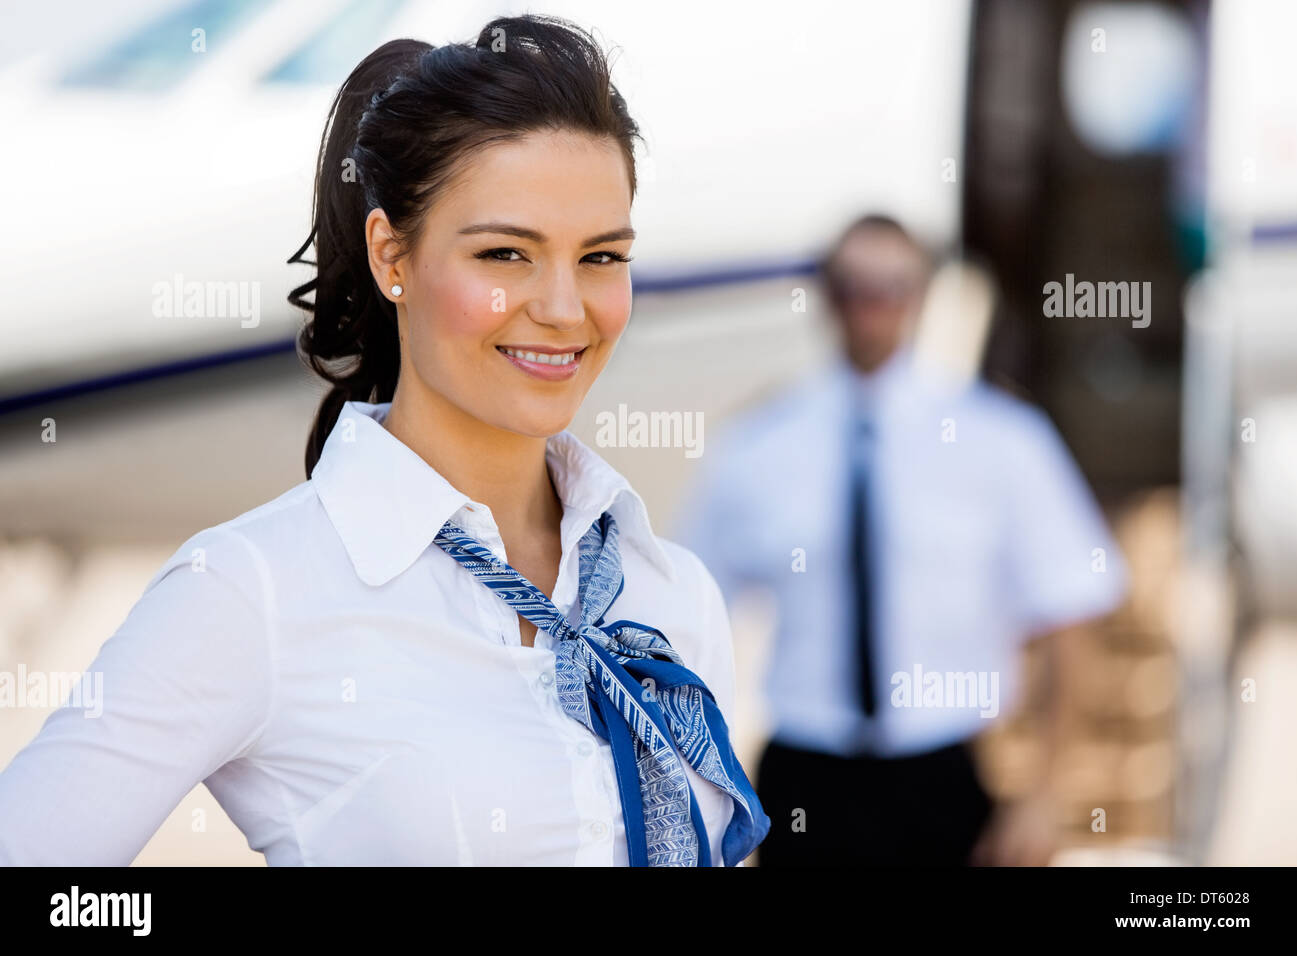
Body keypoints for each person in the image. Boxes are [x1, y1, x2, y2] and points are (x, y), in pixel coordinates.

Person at [0, 15, 768, 867]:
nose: (563, 307)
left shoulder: (675, 594)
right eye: (507, 254)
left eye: (600, 257)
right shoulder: (253, 591)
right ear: (391, 253)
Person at [673, 214, 1128, 866]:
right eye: (855, 286)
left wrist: (1044, 794)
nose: (873, 306)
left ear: (921, 293)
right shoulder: (759, 443)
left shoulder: (999, 437)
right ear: (827, 297)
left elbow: (1072, 613)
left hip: (946, 769)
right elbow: (689, 620)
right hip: (807, 771)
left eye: (893, 285)